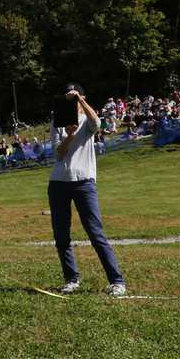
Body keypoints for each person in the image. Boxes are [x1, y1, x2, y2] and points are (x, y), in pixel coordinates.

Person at [49, 82, 127, 296]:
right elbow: (58, 153)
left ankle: (117, 280)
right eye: (68, 97)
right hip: (59, 183)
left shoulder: (87, 119)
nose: (71, 101)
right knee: (62, 235)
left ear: (82, 98)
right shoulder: (57, 122)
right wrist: (70, 134)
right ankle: (71, 279)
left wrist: (81, 100)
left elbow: (97, 123)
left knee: (95, 233)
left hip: (84, 182)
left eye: (74, 97)